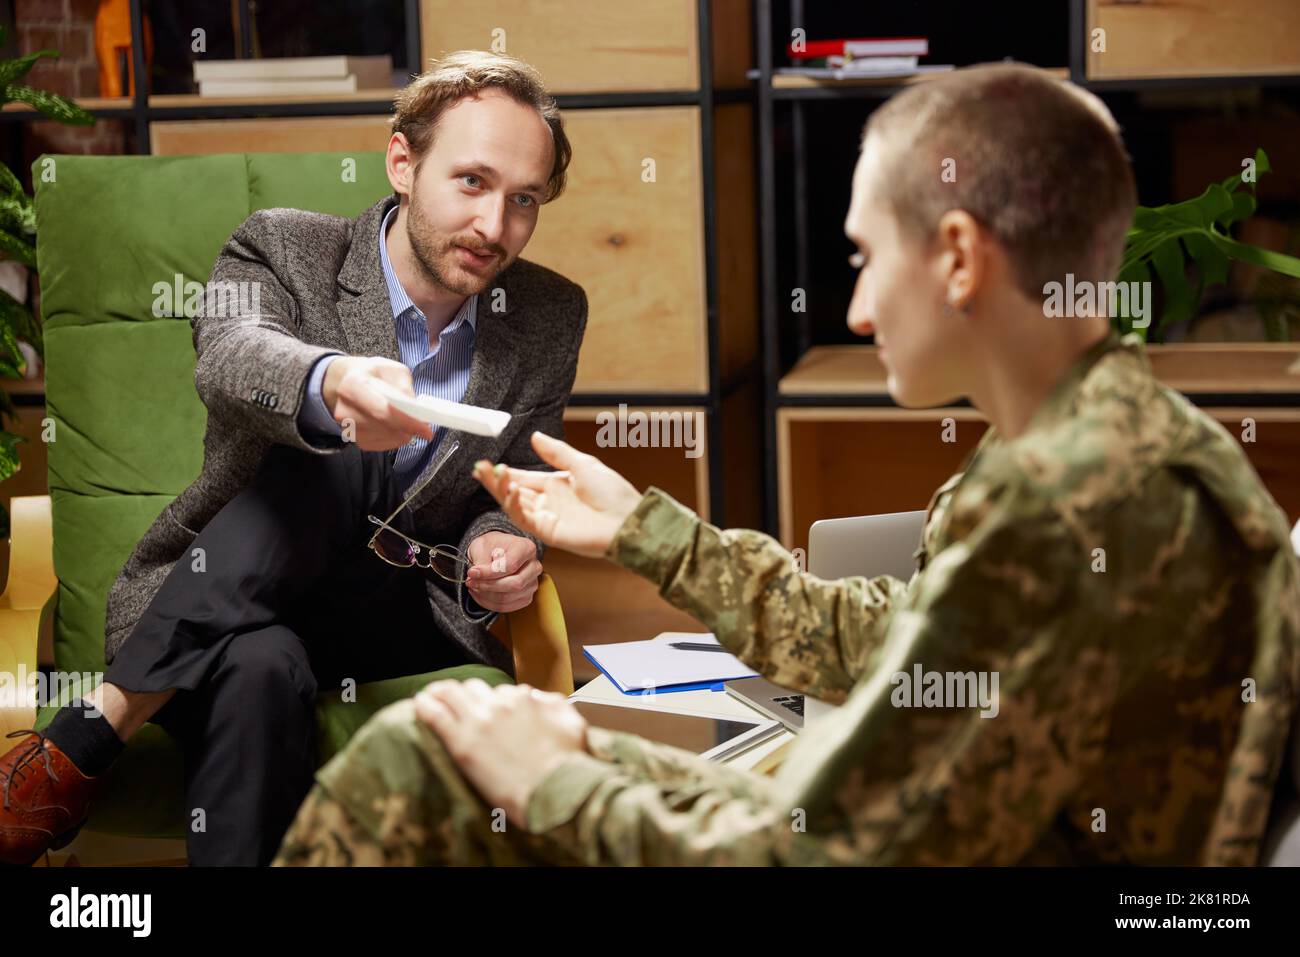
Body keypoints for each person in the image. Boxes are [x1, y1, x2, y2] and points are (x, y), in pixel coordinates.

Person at [269, 61, 1300, 867]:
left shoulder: (1067, 502)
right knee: (461, 742)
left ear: (954, 256)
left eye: (862, 256)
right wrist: (644, 532)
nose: (853, 308)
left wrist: (553, 787)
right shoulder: (1101, 442)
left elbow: (827, 852)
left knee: (430, 758)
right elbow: (896, 648)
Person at [0, 51, 587, 867]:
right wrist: (332, 379)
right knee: (263, 653)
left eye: (524, 199)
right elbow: (230, 354)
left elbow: (516, 475)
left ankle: (90, 730)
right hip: (237, 601)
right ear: (402, 163)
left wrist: (504, 540)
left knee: (348, 470)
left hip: (404, 615)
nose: (496, 226)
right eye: (472, 183)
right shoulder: (280, 246)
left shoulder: (551, 312)